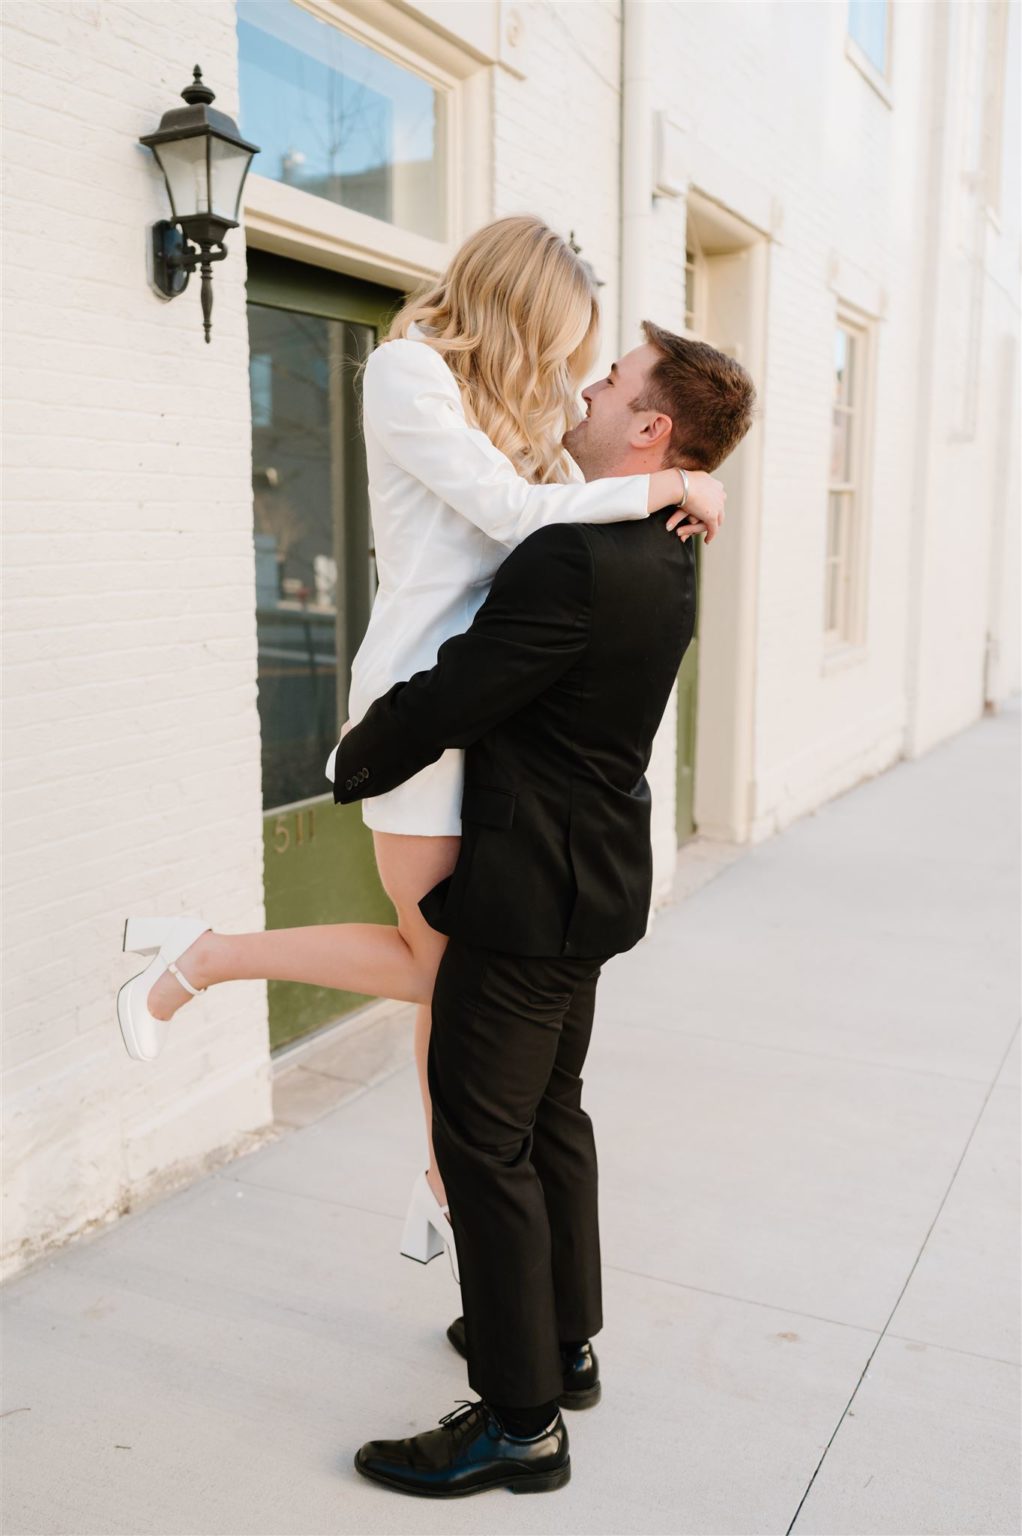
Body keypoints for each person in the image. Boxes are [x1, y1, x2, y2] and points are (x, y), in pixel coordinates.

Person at [116, 218, 725, 1276]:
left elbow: (550, 517)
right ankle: (204, 961)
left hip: (483, 715)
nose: (568, 373)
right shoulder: (405, 374)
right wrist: (669, 484)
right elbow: (513, 514)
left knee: (451, 972)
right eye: (559, 338)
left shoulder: (515, 406)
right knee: (441, 970)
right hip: (417, 709)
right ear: (514, 310)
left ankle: (430, 1165)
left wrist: (664, 483)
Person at [332, 320, 756, 1497]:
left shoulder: (574, 555)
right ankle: (559, 1346)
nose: (588, 387)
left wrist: (352, 763)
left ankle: (518, 1425)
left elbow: (461, 692)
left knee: (482, 1138)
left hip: (524, 895)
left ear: (650, 426)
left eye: (612, 381)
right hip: (595, 882)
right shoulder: (666, 541)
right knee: (549, 1115)